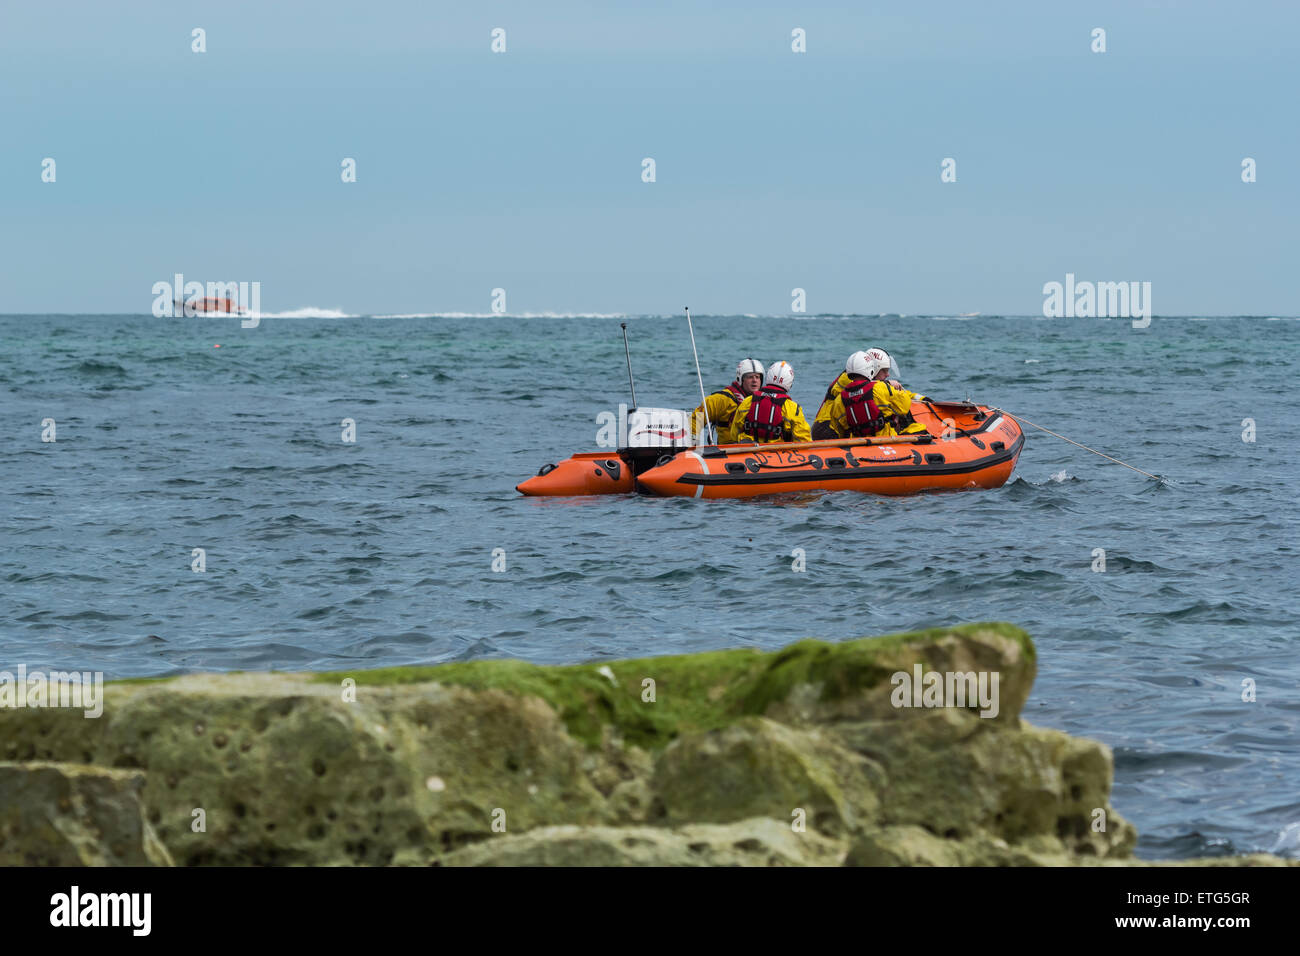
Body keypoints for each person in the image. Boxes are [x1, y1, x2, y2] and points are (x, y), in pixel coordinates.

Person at [812, 348, 929, 440]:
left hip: (835, 426)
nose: (887, 374)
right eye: (884, 370)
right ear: (872, 368)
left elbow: (890, 391)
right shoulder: (857, 383)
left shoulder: (858, 381)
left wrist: (921, 397)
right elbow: (897, 400)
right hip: (827, 427)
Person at [732, 361, 811, 444]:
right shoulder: (791, 407)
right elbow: (803, 440)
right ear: (789, 383)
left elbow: (734, 433)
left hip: (747, 450)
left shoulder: (748, 401)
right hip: (776, 452)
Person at [691, 358, 763, 444]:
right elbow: (695, 419)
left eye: (757, 377)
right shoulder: (723, 399)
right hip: (728, 449)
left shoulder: (764, 401)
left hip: (754, 449)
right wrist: (692, 444)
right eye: (750, 377)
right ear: (741, 379)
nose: (754, 380)